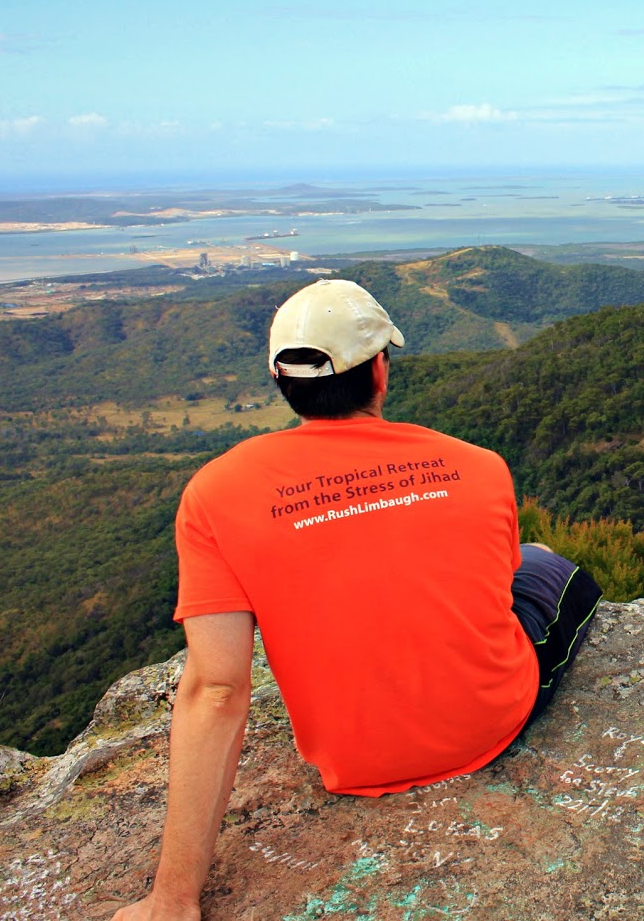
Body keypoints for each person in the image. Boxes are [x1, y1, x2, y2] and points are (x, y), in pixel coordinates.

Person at [114, 278, 601, 921]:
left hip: (351, 757)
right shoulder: (479, 465)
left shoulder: (215, 494)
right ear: (380, 370)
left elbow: (218, 690)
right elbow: (497, 578)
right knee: (549, 565)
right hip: (491, 724)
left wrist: (172, 899)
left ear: (282, 380)